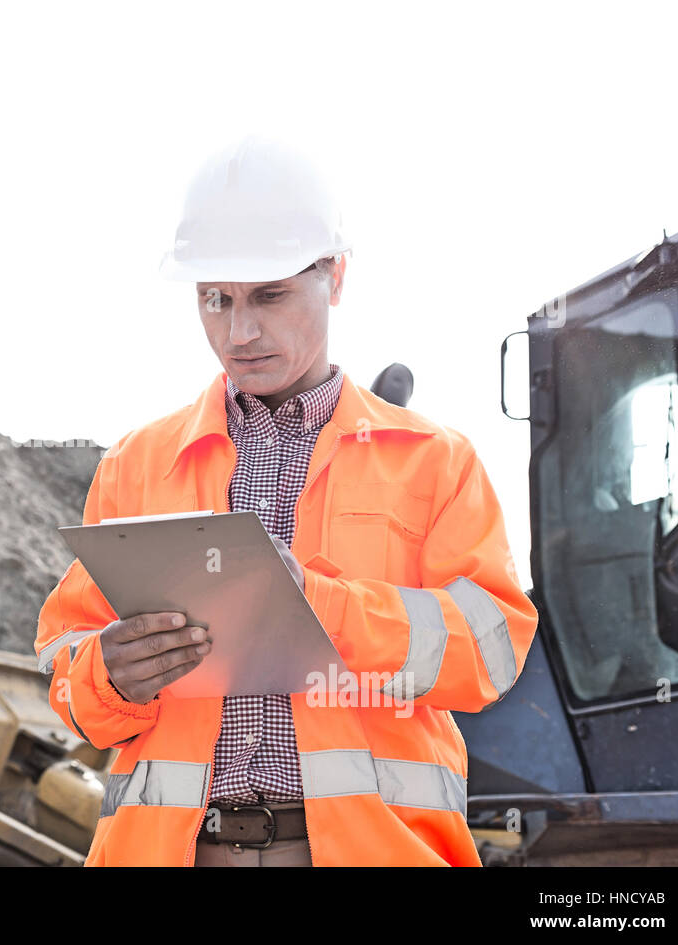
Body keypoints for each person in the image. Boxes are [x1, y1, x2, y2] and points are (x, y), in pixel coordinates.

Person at [35, 136, 539, 866]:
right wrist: (109, 674)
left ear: (334, 277)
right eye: (216, 301)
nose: (239, 333)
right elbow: (64, 664)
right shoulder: (137, 464)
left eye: (269, 296)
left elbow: (491, 654)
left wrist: (319, 605)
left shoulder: (435, 463)